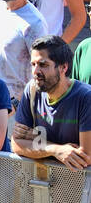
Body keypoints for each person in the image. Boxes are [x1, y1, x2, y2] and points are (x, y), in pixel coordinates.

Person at [13, 35, 91, 168]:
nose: (36, 71)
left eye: (43, 65)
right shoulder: (31, 90)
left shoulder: (85, 97)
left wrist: (36, 141)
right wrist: (54, 149)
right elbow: (17, 144)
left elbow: (85, 156)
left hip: (80, 184)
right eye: (33, 64)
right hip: (40, 182)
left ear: (63, 68)